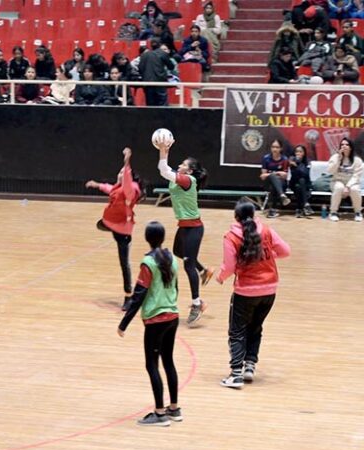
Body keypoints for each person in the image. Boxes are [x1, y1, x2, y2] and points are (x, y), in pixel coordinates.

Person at [216, 199, 291, 388]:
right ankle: (250, 365)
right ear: (255, 214)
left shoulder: (231, 236)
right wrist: (270, 256)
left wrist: (220, 276)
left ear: (236, 216)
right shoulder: (266, 230)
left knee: (237, 331)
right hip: (270, 289)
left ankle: (235, 374)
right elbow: (285, 251)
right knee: (256, 327)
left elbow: (230, 266)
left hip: (246, 291)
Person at [117, 221, 181, 427]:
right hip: (173, 316)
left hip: (156, 321)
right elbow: (176, 288)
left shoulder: (148, 262)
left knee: (152, 364)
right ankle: (174, 408)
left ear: (147, 238)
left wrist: (124, 323)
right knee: (169, 361)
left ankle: (160, 413)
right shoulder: (172, 259)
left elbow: (139, 296)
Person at [156, 138, 213, 326]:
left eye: (183, 164)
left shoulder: (188, 180)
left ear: (188, 171)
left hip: (194, 228)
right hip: (184, 226)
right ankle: (204, 270)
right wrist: (164, 150)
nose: (179, 165)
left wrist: (164, 149)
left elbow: (164, 170)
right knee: (179, 253)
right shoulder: (179, 177)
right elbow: (163, 169)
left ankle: (197, 303)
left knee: (188, 265)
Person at [85, 148, 144, 311]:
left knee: (124, 264)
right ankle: (107, 224)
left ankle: (128, 296)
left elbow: (126, 178)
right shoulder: (119, 187)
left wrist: (127, 161)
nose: (120, 173)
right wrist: (97, 185)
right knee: (122, 260)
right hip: (114, 225)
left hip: (123, 231)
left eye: (122, 172)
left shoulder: (130, 189)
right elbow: (110, 189)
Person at [327, 137, 363, 221]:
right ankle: (333, 212)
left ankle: (358, 212)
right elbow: (330, 171)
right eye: (342, 144)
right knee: (339, 187)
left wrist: (348, 186)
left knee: (354, 189)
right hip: (337, 181)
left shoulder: (357, 160)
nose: (344, 146)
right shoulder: (335, 157)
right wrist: (338, 159)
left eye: (347, 144)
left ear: (351, 147)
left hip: (352, 183)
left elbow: (356, 176)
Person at [260, 139, 292, 218]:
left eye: (277, 147)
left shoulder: (284, 159)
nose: (275, 149)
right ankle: (282, 196)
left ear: (281, 149)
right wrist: (275, 174)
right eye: (273, 147)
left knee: (274, 185)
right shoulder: (266, 158)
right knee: (272, 179)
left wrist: (271, 174)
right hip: (268, 182)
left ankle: (272, 210)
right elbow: (263, 176)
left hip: (281, 184)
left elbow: (285, 175)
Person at [139, 37, 175, 106]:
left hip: (148, 83)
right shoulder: (163, 53)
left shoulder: (144, 55)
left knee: (150, 107)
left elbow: (140, 68)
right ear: (160, 44)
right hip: (160, 83)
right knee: (162, 106)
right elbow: (171, 66)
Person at [289, 144, 314, 217]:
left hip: (304, 184)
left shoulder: (307, 162)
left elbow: (306, 174)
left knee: (300, 183)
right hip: (293, 183)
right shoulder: (291, 161)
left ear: (304, 153)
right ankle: (305, 204)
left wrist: (298, 163)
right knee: (300, 182)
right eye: (297, 151)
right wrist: (295, 163)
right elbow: (294, 175)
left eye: (300, 152)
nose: (298, 153)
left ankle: (299, 209)